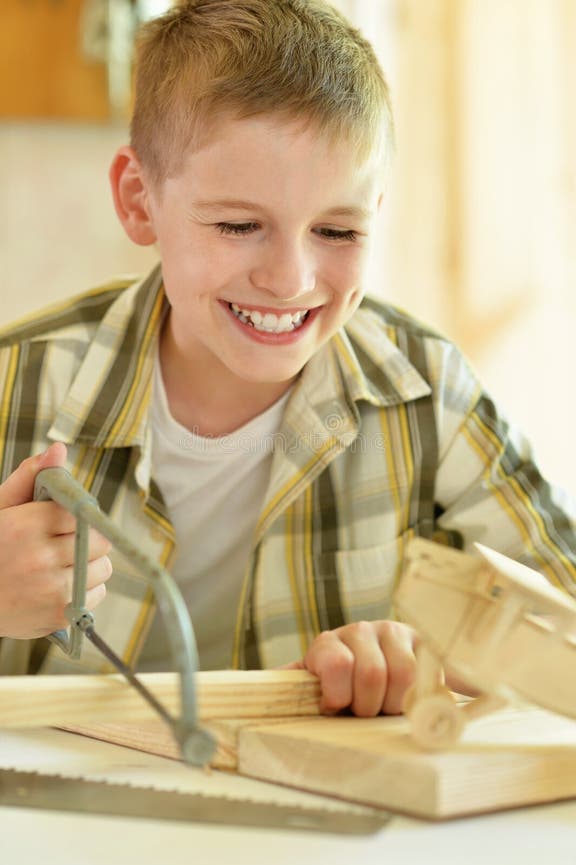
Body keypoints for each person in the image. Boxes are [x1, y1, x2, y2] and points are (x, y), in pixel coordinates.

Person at [0, 0, 574, 718]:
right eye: (240, 225)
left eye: (337, 229)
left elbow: (566, 623)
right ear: (139, 200)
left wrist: (440, 660)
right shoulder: (15, 383)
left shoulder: (429, 394)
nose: (291, 279)